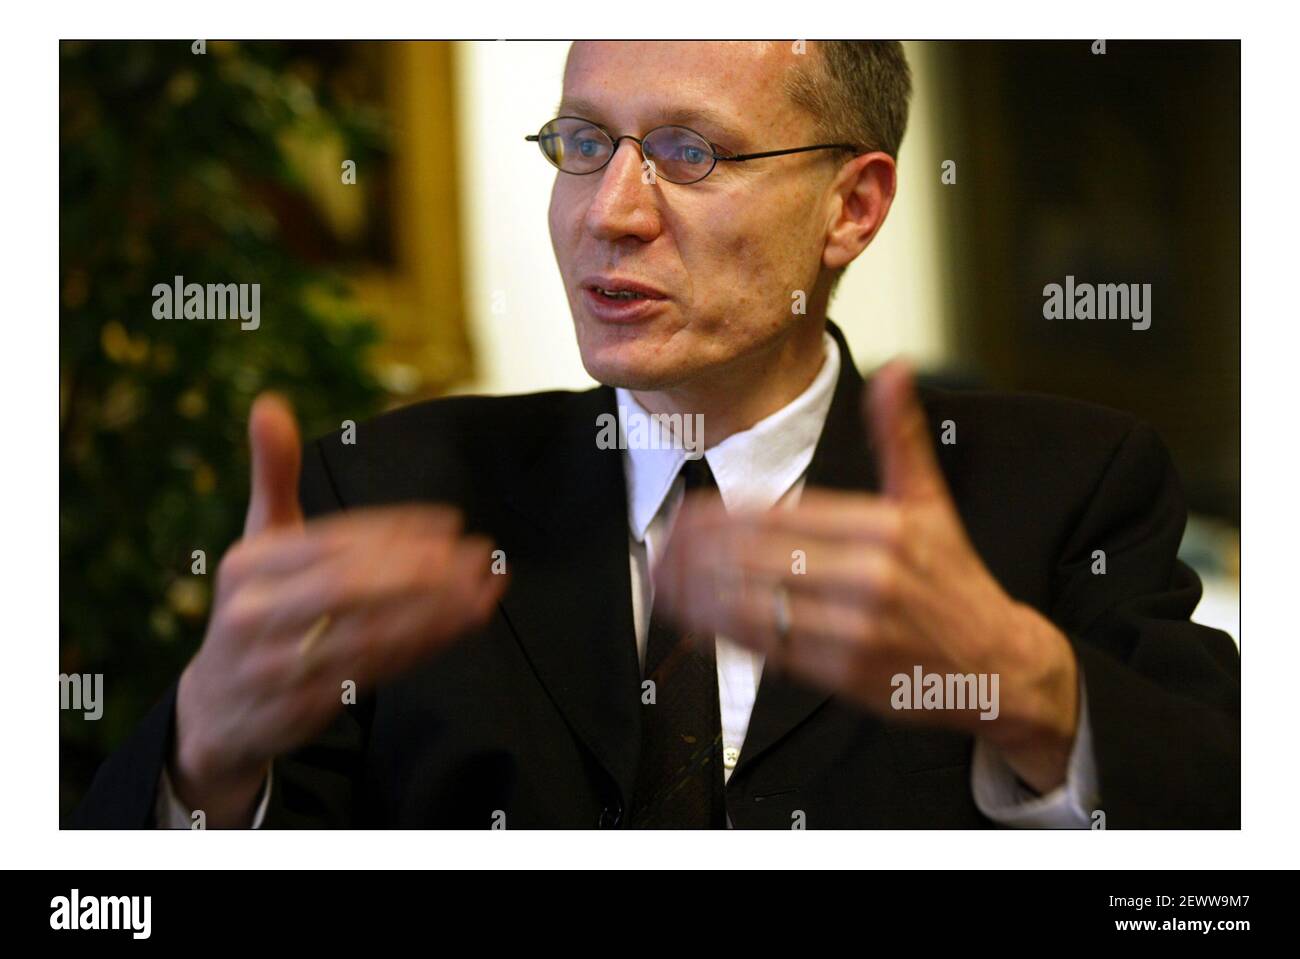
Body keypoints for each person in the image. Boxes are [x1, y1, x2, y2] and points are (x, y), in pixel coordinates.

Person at [76, 40, 1239, 829]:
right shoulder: (390, 487)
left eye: (690, 153)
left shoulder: (1067, 488)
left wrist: (1034, 691)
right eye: (583, 144)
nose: (611, 212)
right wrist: (203, 764)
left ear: (854, 205)